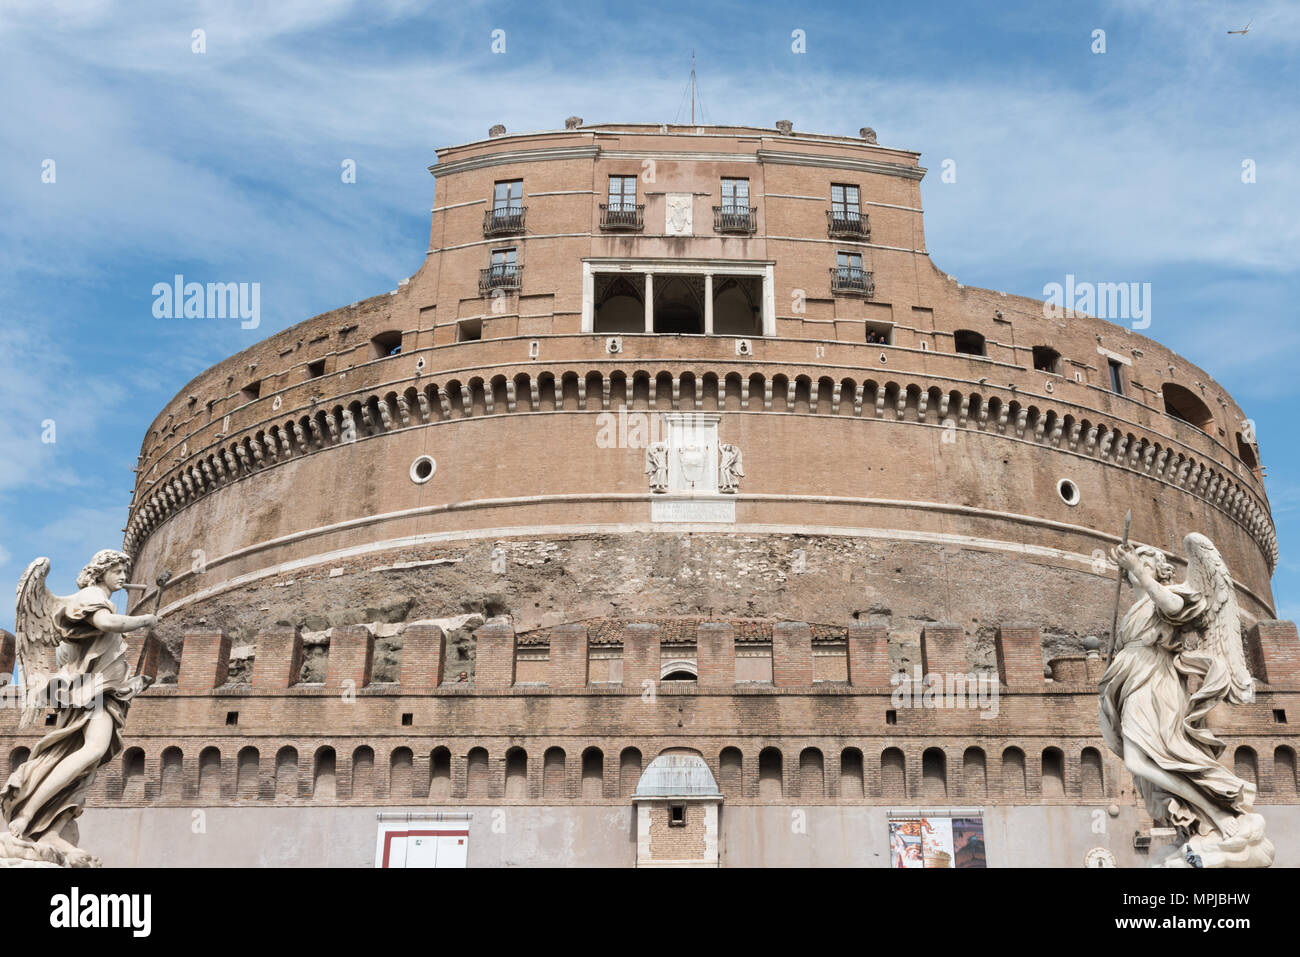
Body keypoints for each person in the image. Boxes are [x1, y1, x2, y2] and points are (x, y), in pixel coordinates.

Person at [2, 550, 156, 861]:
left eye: (125, 570)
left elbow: (106, 653)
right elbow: (106, 623)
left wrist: (135, 684)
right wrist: (143, 620)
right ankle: (26, 815)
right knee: (93, 749)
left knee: (84, 765)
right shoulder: (88, 597)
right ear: (101, 572)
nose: (124, 576)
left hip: (105, 692)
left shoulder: (102, 598)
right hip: (89, 693)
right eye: (117, 570)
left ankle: (50, 830)